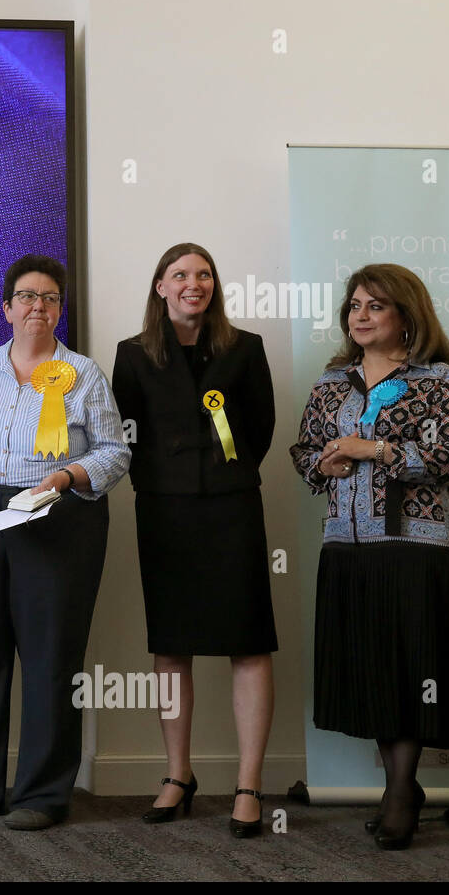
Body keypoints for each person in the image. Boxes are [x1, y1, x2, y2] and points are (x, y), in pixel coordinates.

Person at [290, 263, 449, 850]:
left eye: (375, 306)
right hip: (346, 548)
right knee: (373, 669)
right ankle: (404, 787)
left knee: (407, 669)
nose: (361, 316)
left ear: (406, 314)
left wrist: (374, 449)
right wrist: (322, 463)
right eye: (354, 306)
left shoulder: (441, 382)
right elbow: (303, 452)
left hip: (415, 550)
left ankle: (400, 794)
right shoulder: (330, 384)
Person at [0, 255, 130, 829]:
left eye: (49, 298)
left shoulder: (84, 374)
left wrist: (66, 477)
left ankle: (42, 793)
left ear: (59, 310)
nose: (37, 306)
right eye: (26, 296)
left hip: (55, 518)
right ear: (6, 308)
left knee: (51, 656)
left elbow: (115, 451)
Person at [111, 243, 277, 838]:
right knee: (172, 646)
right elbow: (122, 433)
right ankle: (178, 775)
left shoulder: (245, 348)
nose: (194, 283)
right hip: (165, 511)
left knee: (249, 643)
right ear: (160, 287)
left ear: (215, 286)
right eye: (180, 275)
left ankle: (249, 784)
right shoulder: (132, 355)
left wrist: (220, 472)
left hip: (233, 507)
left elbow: (258, 428)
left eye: (204, 274)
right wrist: (169, 479)